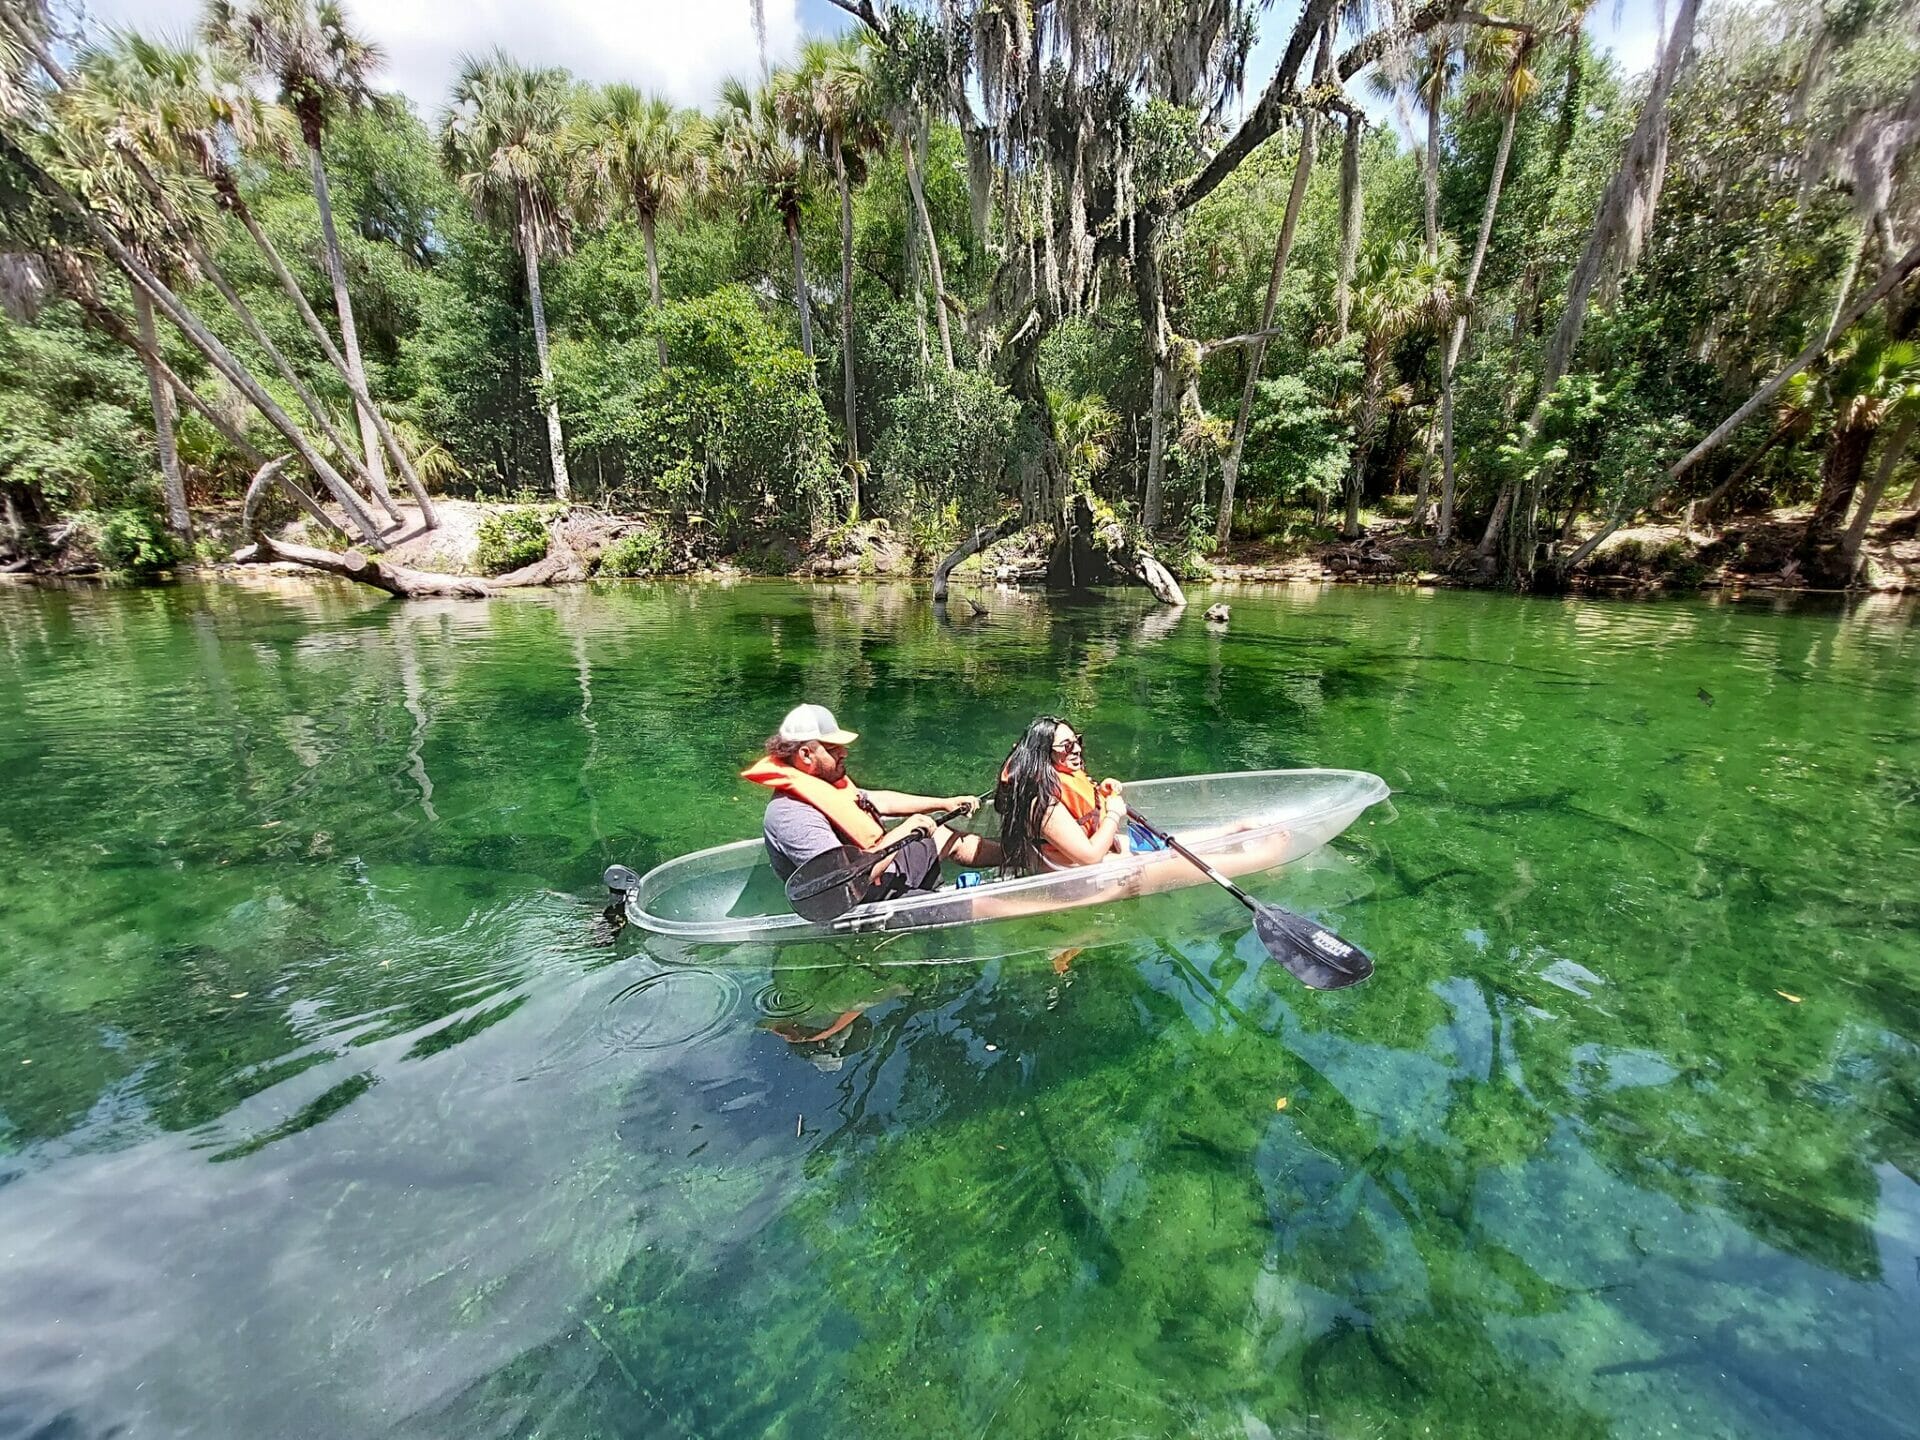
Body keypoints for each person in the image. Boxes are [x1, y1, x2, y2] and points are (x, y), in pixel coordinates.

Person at [742, 703, 999, 901]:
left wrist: (943, 803)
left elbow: (879, 800)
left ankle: (1023, 857)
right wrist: (905, 832)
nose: (844, 752)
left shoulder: (825, 782)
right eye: (832, 749)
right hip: (862, 901)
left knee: (942, 835)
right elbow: (844, 882)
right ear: (805, 754)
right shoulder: (791, 815)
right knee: (968, 905)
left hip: (880, 871)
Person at [993, 715, 1135, 874]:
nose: (1078, 749)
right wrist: (1114, 814)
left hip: (1079, 861)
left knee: (1143, 844)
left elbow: (1076, 814)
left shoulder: (1053, 782)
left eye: (1077, 741)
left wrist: (1100, 795)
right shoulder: (1042, 803)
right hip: (1072, 873)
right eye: (1067, 746)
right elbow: (1090, 857)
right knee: (1152, 857)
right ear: (1044, 752)